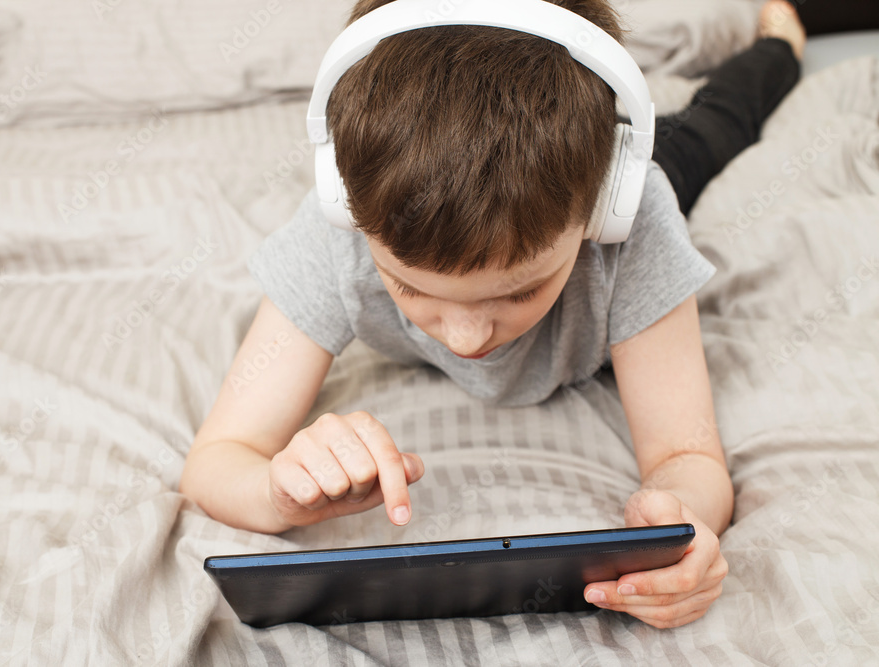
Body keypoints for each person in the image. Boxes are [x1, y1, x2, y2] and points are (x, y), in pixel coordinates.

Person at [180, 0, 806, 629]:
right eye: (408, 285)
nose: (465, 336)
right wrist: (276, 495)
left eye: (517, 293)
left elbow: (686, 455)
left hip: (657, 163)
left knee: (715, 123)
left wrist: (685, 523)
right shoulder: (333, 233)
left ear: (603, 209)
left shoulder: (634, 218)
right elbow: (217, 461)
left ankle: (779, 44)